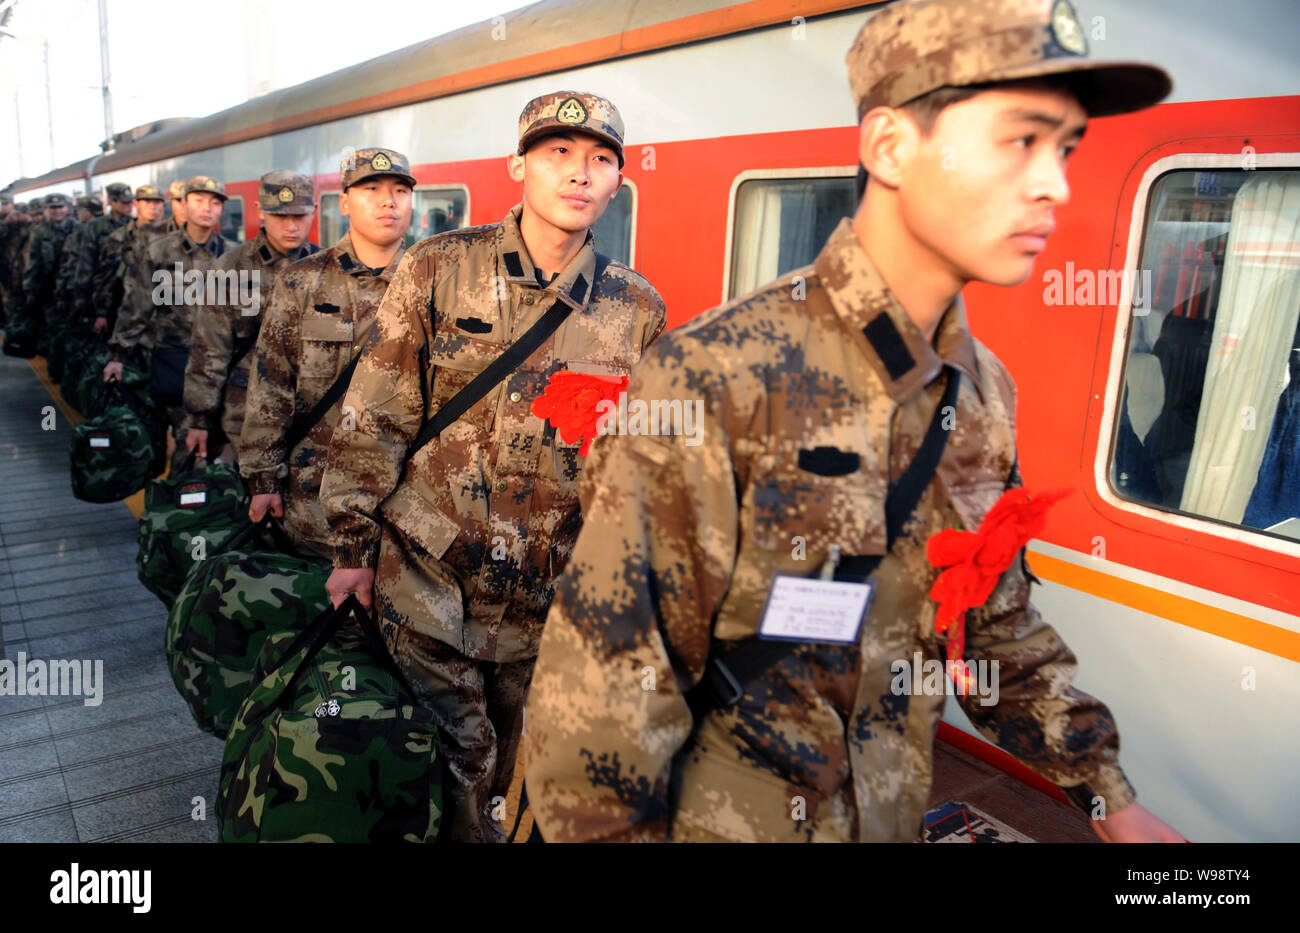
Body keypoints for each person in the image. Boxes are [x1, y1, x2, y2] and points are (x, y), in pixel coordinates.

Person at [522, 0, 1188, 843]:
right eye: (1020, 140)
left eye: (1066, 148)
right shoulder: (720, 372)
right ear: (888, 147)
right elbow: (602, 705)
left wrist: (1108, 795)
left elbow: (990, 622)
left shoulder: (981, 393)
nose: (1055, 182)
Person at [318, 92, 667, 843]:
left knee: (513, 774)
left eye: (601, 159)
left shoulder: (636, 308)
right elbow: (376, 412)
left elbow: (637, 465)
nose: (580, 173)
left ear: (617, 182)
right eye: (558, 153)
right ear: (519, 166)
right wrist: (351, 548)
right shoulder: (440, 266)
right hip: (427, 577)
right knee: (453, 761)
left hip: (545, 603)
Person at [238, 150, 414, 557]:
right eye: (372, 188)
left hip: (402, 508)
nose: (389, 201)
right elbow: (270, 385)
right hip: (313, 504)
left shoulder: (434, 282)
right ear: (345, 202)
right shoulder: (302, 282)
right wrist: (263, 481)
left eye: (400, 190)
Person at [184, 171, 320, 465]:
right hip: (247, 412)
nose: (292, 225)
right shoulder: (230, 269)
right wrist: (200, 419)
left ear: (314, 212)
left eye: (300, 215)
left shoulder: (327, 269)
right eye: (280, 216)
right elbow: (210, 349)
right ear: (260, 212)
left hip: (314, 412)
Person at [105, 175, 232, 476]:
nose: (207, 209)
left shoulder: (234, 255)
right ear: (183, 204)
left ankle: (193, 502)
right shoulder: (159, 251)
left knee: (211, 443)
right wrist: (117, 355)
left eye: (215, 203)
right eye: (198, 201)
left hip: (218, 365)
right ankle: (181, 508)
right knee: (189, 442)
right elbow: (137, 305)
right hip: (173, 360)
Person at [92, 184, 168, 338]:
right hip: (126, 312)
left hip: (165, 317)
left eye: (157, 202)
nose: (153, 207)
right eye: (147, 202)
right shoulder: (120, 237)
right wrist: (102, 313)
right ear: (136, 204)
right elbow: (106, 277)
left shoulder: (174, 238)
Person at [21, 193, 76, 356]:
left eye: (60, 207)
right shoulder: (40, 232)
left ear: (67, 208)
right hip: (50, 287)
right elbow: (34, 261)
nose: (57, 211)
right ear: (47, 210)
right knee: (54, 328)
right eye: (53, 208)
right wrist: (29, 288)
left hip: (73, 286)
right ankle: (55, 365)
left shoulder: (78, 228)